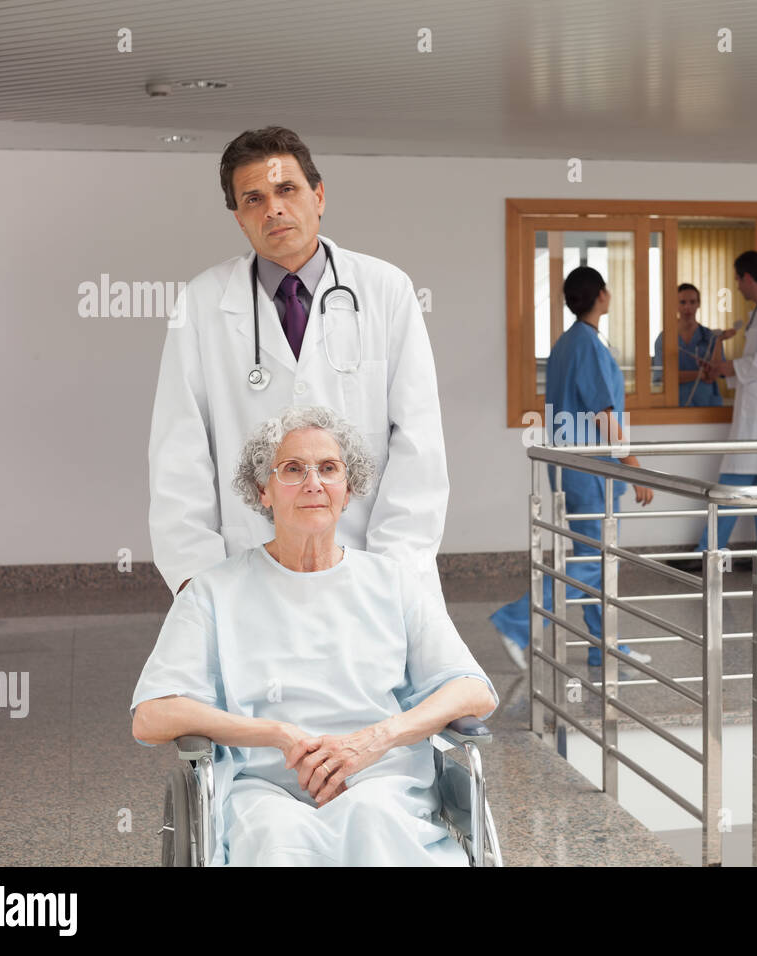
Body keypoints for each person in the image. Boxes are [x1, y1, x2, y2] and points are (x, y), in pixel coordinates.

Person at [131, 407, 498, 866]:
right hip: (262, 787)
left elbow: (472, 690)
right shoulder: (213, 591)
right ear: (262, 491)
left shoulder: (394, 583)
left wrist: (376, 739)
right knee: (276, 843)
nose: (313, 483)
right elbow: (151, 715)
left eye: (328, 469)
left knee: (374, 825)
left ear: (348, 490)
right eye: (292, 469)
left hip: (381, 778)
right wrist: (276, 735)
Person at [149, 126, 450, 605]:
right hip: (244, 568)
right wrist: (196, 578)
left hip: (371, 564)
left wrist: (397, 568)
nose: (273, 208)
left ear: (319, 195)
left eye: (286, 189)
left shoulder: (385, 290)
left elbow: (418, 440)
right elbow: (179, 451)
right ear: (238, 218)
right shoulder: (203, 303)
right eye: (253, 198)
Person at [491, 267, 654, 670]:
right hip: (589, 467)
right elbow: (602, 411)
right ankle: (515, 620)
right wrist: (631, 463)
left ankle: (603, 645)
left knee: (595, 556)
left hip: (577, 464)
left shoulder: (568, 343)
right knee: (595, 559)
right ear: (601, 295)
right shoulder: (584, 345)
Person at [677, 251, 757, 572]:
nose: (737, 286)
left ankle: (709, 552)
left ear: (748, 277)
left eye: (737, 279)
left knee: (732, 482)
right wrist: (725, 371)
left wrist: (730, 366)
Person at [651, 283, 737, 407]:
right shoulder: (664, 339)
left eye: (692, 302)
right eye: (682, 302)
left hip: (707, 404)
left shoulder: (710, 337)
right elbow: (663, 377)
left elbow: (717, 371)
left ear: (699, 304)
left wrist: (719, 341)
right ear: (675, 305)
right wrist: (700, 374)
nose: (688, 307)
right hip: (675, 405)